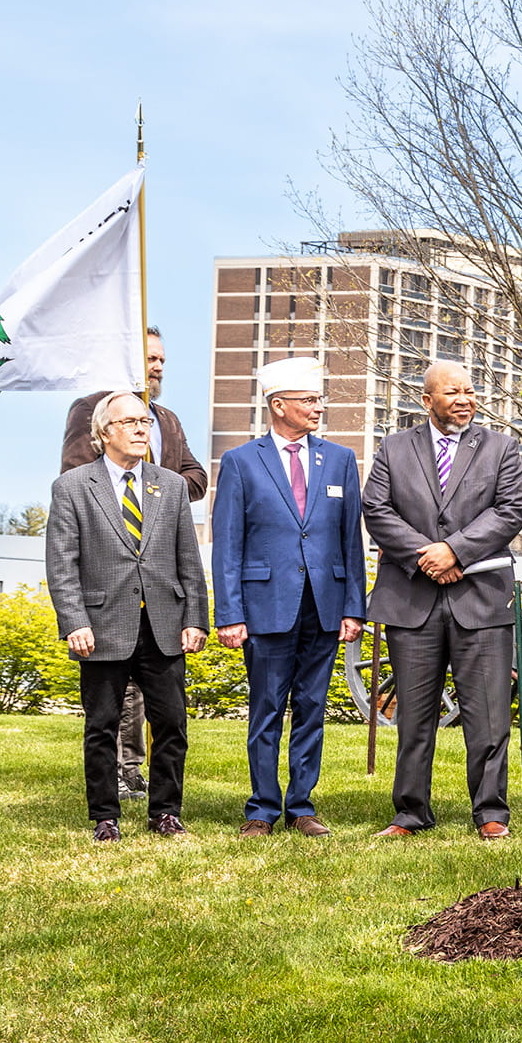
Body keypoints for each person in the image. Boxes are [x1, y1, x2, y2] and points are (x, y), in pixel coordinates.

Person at [365, 362, 522, 839]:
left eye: (469, 391)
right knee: (414, 716)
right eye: (453, 392)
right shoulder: (394, 448)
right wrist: (428, 557)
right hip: (411, 599)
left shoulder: (500, 447)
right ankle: (410, 813)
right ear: (427, 400)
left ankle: (491, 813)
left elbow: (510, 511)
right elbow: (376, 509)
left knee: (489, 716)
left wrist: (455, 550)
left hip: (481, 599)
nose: (464, 400)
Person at [210, 357, 367, 837]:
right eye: (308, 400)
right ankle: (261, 809)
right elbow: (227, 543)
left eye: (319, 399)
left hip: (324, 606)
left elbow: (351, 541)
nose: (318, 407)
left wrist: (353, 607)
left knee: (312, 709)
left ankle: (301, 807)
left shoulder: (340, 459)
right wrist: (229, 613)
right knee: (267, 711)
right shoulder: (241, 461)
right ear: (278, 405)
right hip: (265, 608)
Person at [45, 391, 208, 841]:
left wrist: (195, 617)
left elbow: (188, 559)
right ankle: (105, 817)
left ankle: (165, 813)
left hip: (163, 624)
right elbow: (62, 564)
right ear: (104, 432)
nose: (141, 429)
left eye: (145, 422)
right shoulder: (73, 486)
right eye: (130, 422)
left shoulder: (170, 485)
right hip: (101, 627)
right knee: (102, 726)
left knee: (171, 723)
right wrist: (74, 621)